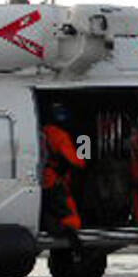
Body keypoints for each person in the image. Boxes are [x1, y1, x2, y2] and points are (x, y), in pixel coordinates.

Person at [41, 101, 87, 235]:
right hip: (55, 183)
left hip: (43, 180)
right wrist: (84, 159)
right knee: (71, 219)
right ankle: (72, 245)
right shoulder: (60, 135)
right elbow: (76, 162)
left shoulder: (43, 131)